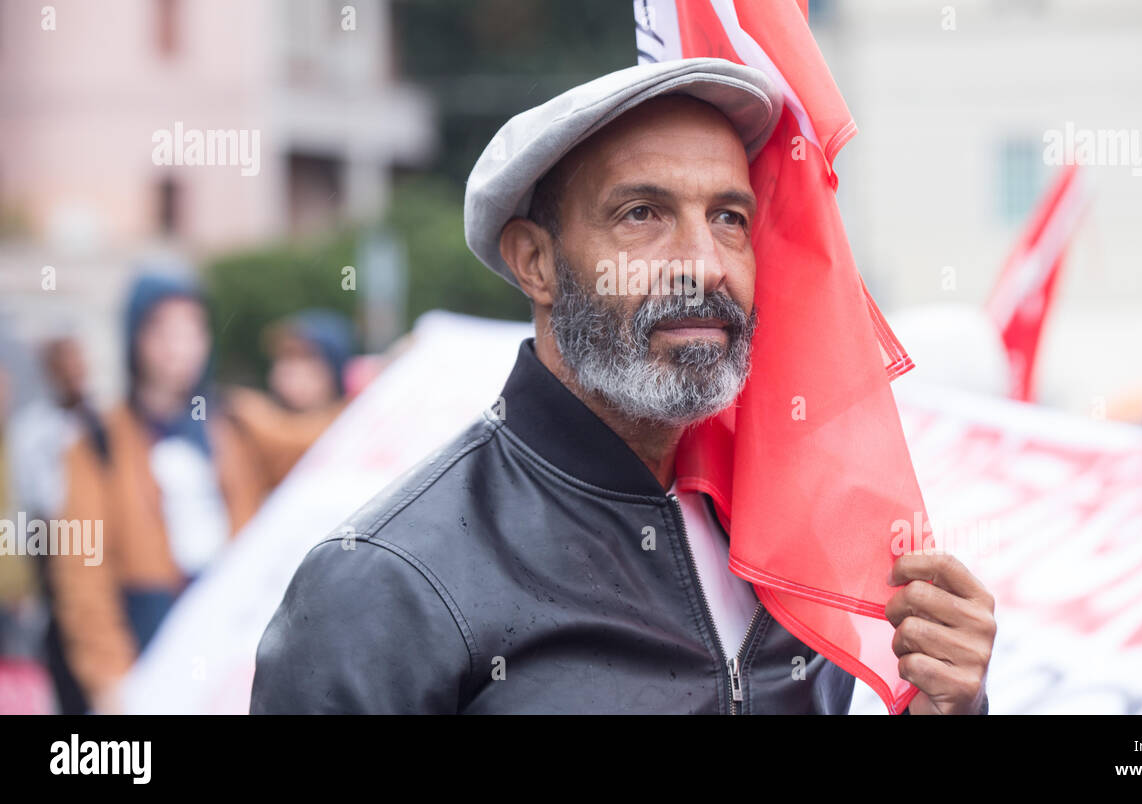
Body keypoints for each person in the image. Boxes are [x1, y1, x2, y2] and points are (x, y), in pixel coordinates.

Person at [251, 58, 995, 714]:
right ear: (535, 263)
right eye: (643, 215)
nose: (704, 264)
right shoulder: (387, 582)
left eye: (730, 218)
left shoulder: (790, 531)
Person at [51, 271, 335, 713]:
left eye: (192, 329)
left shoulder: (233, 420)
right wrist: (110, 682)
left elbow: (323, 443)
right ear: (134, 338)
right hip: (149, 639)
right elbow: (83, 577)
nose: (179, 346)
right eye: (162, 330)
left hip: (231, 637)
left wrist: (384, 380)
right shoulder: (97, 441)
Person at [6, 336, 103, 713]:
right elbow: (29, 508)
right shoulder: (32, 430)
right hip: (57, 550)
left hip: (99, 551)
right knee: (65, 661)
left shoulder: (101, 420)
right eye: (64, 366)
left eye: (78, 364)